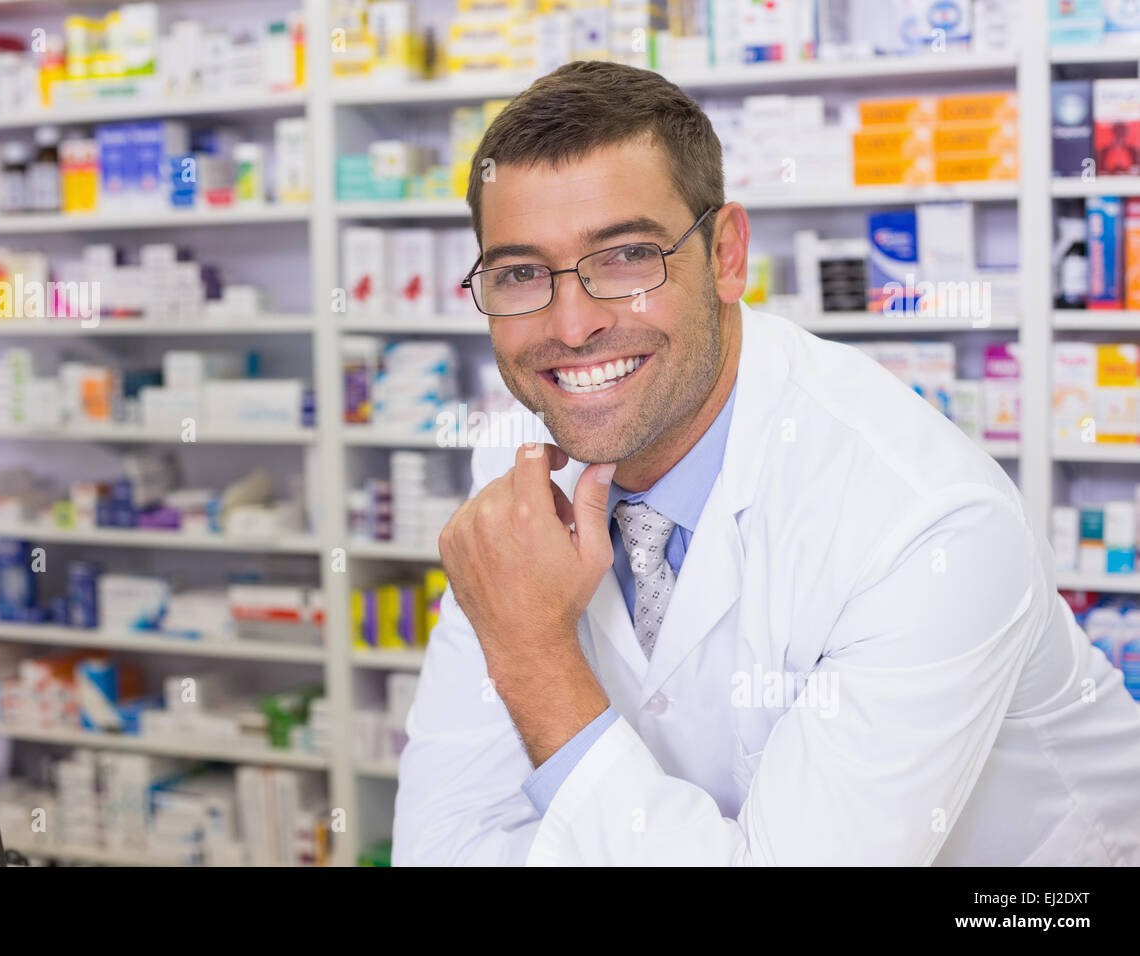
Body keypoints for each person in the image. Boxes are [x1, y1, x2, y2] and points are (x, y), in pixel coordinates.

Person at [391, 60, 1140, 865]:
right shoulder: (513, 469)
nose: (571, 326)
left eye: (626, 257)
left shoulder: (928, 523)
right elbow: (450, 837)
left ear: (726, 256)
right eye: (520, 273)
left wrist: (535, 656)